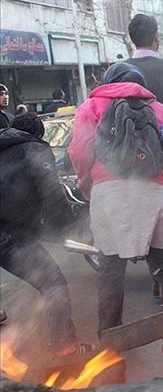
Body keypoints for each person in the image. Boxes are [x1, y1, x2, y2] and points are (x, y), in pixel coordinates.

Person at [68, 62, 163, 336]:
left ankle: (111, 339)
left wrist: (89, 188)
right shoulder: (158, 109)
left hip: (108, 194)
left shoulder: (91, 107)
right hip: (154, 190)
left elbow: (79, 154)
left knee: (110, 270)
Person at [0, 113, 91, 355]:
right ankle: (66, 348)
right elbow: (51, 191)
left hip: (10, 231)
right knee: (54, 284)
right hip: (9, 235)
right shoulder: (34, 148)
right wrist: (67, 227)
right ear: (38, 133)